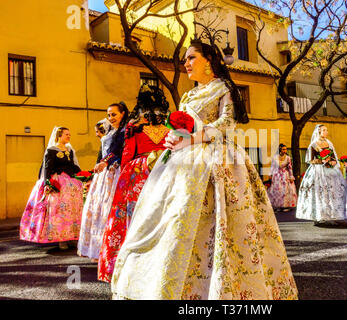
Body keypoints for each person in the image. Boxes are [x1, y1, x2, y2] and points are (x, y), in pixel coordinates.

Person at [111, 40, 298, 300]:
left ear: (209, 60)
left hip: (218, 159)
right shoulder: (187, 96)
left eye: (191, 58)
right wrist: (173, 138)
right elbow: (180, 127)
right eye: (185, 60)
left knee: (219, 222)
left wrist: (193, 138)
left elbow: (226, 124)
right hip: (182, 161)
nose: (186, 63)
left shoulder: (224, 88)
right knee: (174, 218)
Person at [97, 85, 170, 283]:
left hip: (139, 173)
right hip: (165, 170)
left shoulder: (134, 126)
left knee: (133, 217)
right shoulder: (167, 126)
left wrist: (125, 174)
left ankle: (133, 263)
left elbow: (128, 154)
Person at [78, 103, 129, 261]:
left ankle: (115, 249)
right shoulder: (112, 132)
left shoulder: (125, 130)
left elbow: (117, 152)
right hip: (105, 173)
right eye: (109, 115)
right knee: (99, 210)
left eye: (114, 114)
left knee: (112, 209)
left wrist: (106, 163)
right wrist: (94, 174)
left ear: (122, 114)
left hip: (117, 171)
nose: (110, 118)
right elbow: (102, 154)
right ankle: (100, 248)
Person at [20, 127, 83, 250]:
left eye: (69, 134)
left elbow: (74, 167)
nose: (69, 136)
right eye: (66, 134)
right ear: (59, 135)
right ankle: (60, 239)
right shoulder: (51, 150)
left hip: (71, 185)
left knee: (72, 211)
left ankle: (72, 237)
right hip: (58, 183)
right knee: (59, 212)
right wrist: (48, 183)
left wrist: (84, 175)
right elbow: (47, 168)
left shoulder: (70, 150)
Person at [296, 124, 346, 226]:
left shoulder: (329, 143)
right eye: (324, 130)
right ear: (319, 132)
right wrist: (322, 160)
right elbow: (310, 160)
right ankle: (319, 216)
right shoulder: (314, 145)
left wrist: (333, 162)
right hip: (318, 170)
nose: (326, 132)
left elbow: (333, 156)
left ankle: (332, 215)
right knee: (320, 192)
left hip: (330, 170)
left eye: (326, 130)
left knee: (332, 192)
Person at [267, 144, 297, 212]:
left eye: (285, 149)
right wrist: (270, 174)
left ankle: (285, 205)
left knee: (285, 190)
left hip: (285, 175)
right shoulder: (275, 157)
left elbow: (290, 168)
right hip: (277, 175)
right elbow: (272, 167)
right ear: (280, 149)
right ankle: (277, 206)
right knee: (278, 190)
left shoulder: (288, 158)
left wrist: (291, 176)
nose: (285, 151)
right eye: (283, 149)